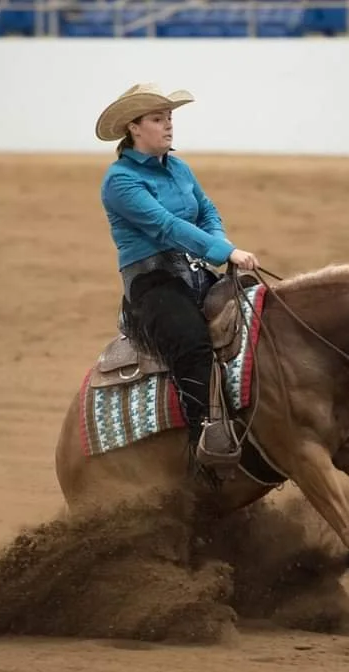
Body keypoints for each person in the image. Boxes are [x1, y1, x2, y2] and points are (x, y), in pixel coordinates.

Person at [94, 82, 260, 472]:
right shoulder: (120, 181)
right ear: (134, 128)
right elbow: (166, 226)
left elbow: (207, 211)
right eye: (157, 118)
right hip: (152, 283)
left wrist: (221, 242)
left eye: (169, 117)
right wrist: (225, 253)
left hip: (195, 272)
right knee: (192, 343)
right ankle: (207, 437)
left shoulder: (180, 167)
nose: (168, 125)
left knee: (260, 309)